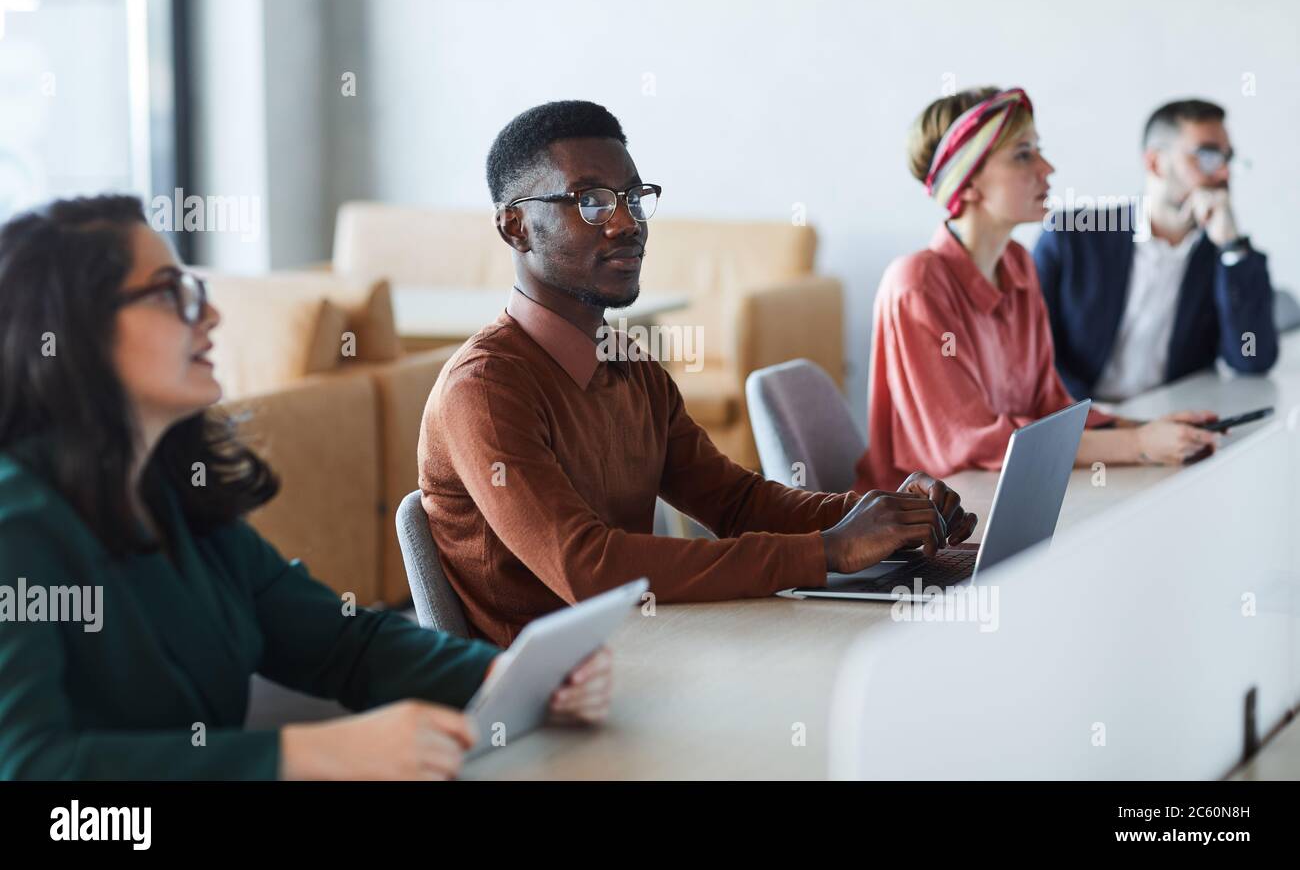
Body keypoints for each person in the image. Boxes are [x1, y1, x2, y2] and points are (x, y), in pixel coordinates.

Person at [0, 195, 611, 780]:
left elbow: (341, 642)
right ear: (69, 328)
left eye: (197, 290)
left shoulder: (173, 496)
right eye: (171, 293)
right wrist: (303, 757)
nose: (209, 315)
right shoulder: (17, 525)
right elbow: (31, 767)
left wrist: (508, 677)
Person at [418, 100, 978, 646]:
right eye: (591, 201)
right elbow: (587, 567)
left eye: (634, 198)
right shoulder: (485, 389)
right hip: (550, 708)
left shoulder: (628, 362)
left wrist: (880, 516)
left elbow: (736, 503)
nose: (626, 223)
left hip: (646, 652)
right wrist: (827, 551)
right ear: (515, 226)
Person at [852, 87, 1222, 495]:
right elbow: (970, 444)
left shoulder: (1018, 265)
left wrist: (1149, 429)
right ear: (969, 181)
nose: (1047, 168)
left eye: (1038, 150)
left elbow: (1049, 405)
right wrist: (1136, 445)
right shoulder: (916, 284)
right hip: (931, 527)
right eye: (1023, 155)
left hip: (1012, 493)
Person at [1034, 98, 1278, 402]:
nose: (1224, 173)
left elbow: (1252, 359)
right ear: (1154, 163)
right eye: (1207, 156)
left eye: (1227, 158)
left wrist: (1231, 247)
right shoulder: (1072, 235)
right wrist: (1094, 419)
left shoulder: (1225, 256)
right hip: (1084, 421)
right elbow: (1032, 352)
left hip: (1173, 418)